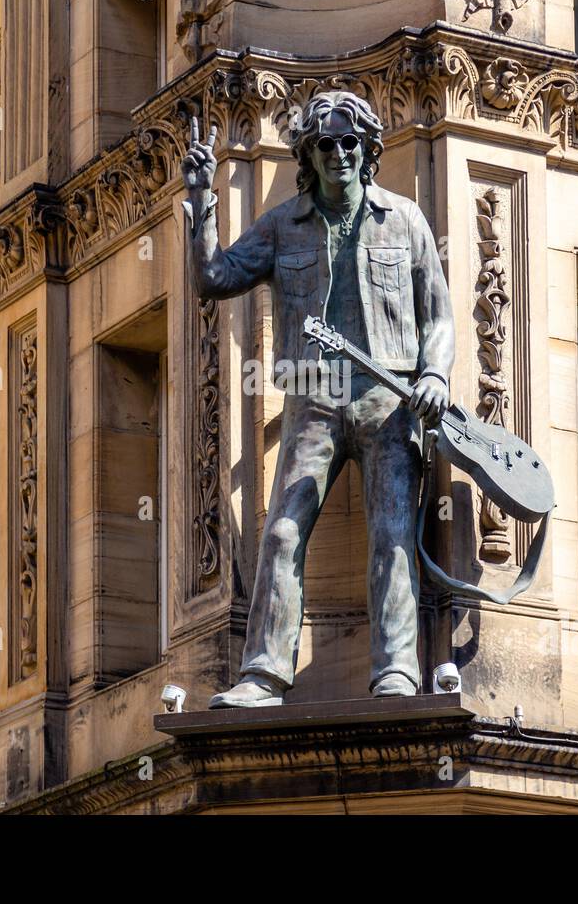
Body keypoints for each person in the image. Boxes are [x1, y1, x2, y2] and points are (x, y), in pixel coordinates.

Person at [182, 92, 455, 706]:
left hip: (389, 399)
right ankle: (263, 674)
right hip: (313, 398)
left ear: (368, 149)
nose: (339, 154)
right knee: (281, 532)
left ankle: (397, 672)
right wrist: (202, 201)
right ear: (308, 153)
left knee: (390, 533)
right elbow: (215, 278)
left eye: (350, 142)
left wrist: (434, 375)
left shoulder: (404, 220)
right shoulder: (283, 224)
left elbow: (438, 316)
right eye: (325, 145)